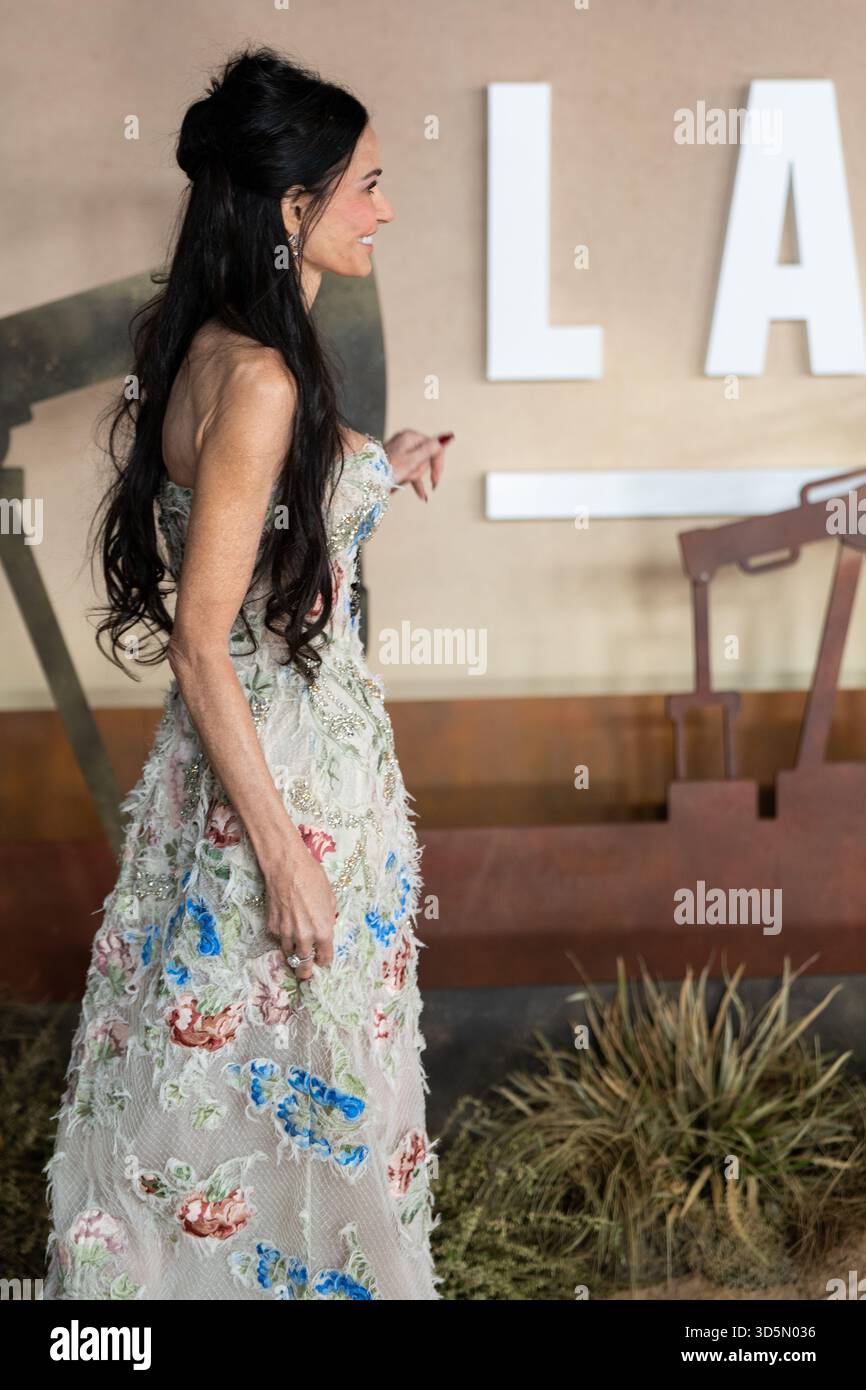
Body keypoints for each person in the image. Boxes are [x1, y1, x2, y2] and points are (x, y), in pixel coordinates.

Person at [42, 45, 451, 1301]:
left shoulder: (209, 340)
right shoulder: (265, 378)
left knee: (216, 1087)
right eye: (365, 185)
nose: (384, 207)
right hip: (277, 785)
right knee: (274, 1094)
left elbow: (267, 515)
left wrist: (380, 469)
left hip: (219, 772)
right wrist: (284, 853)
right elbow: (204, 632)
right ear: (294, 205)